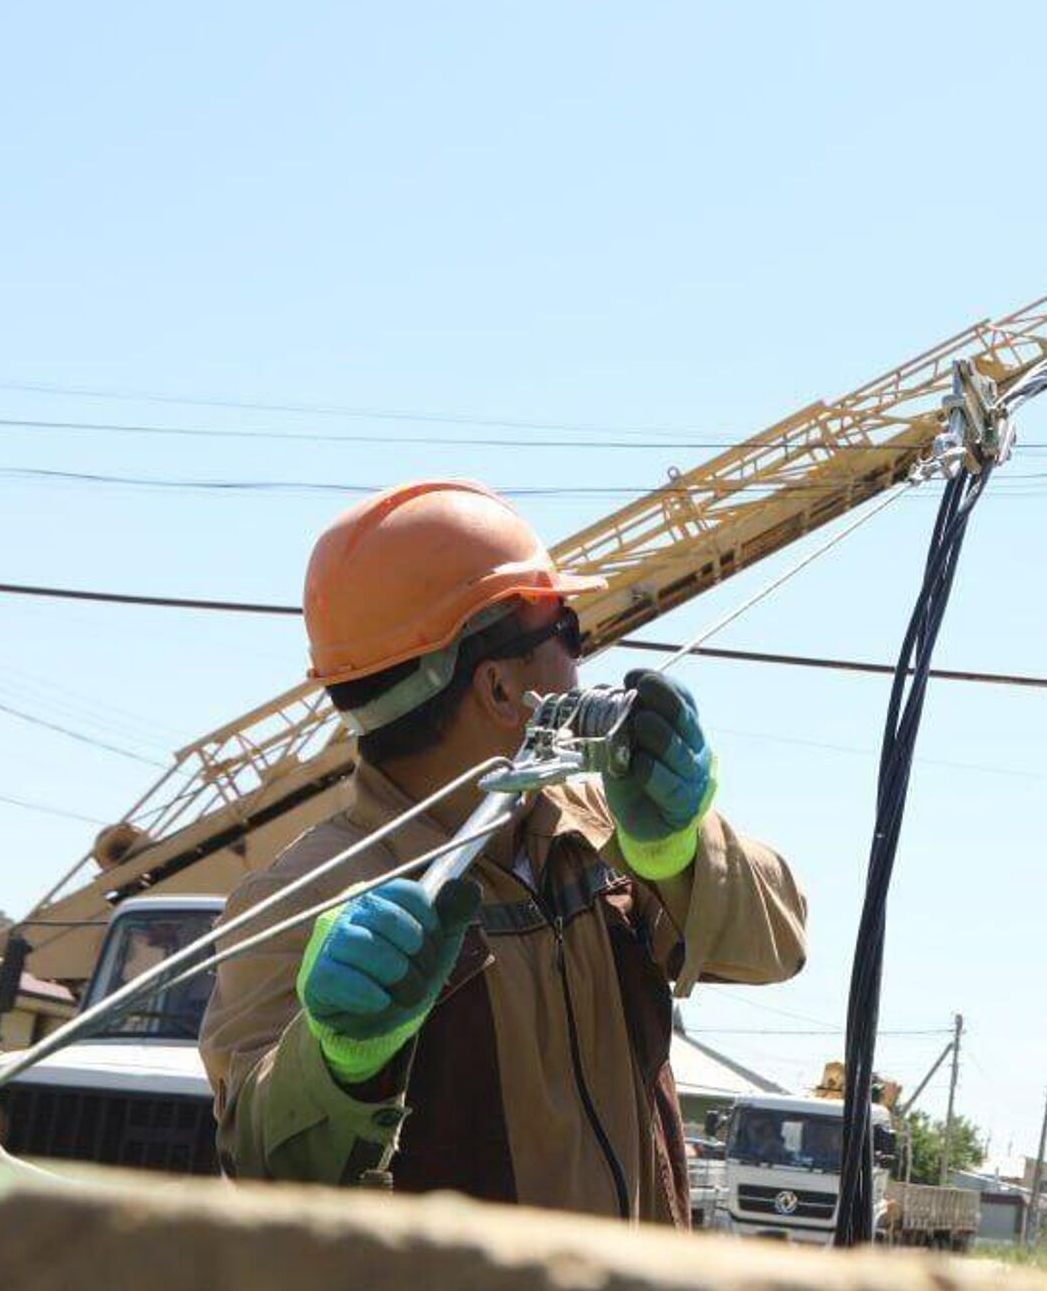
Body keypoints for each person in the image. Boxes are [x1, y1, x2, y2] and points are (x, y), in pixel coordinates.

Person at [199, 479, 808, 1224]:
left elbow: (781, 944)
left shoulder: (600, 825)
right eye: (568, 631)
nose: (582, 663)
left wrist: (681, 848)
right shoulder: (304, 897)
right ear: (500, 688)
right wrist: (337, 1061)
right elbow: (263, 1172)